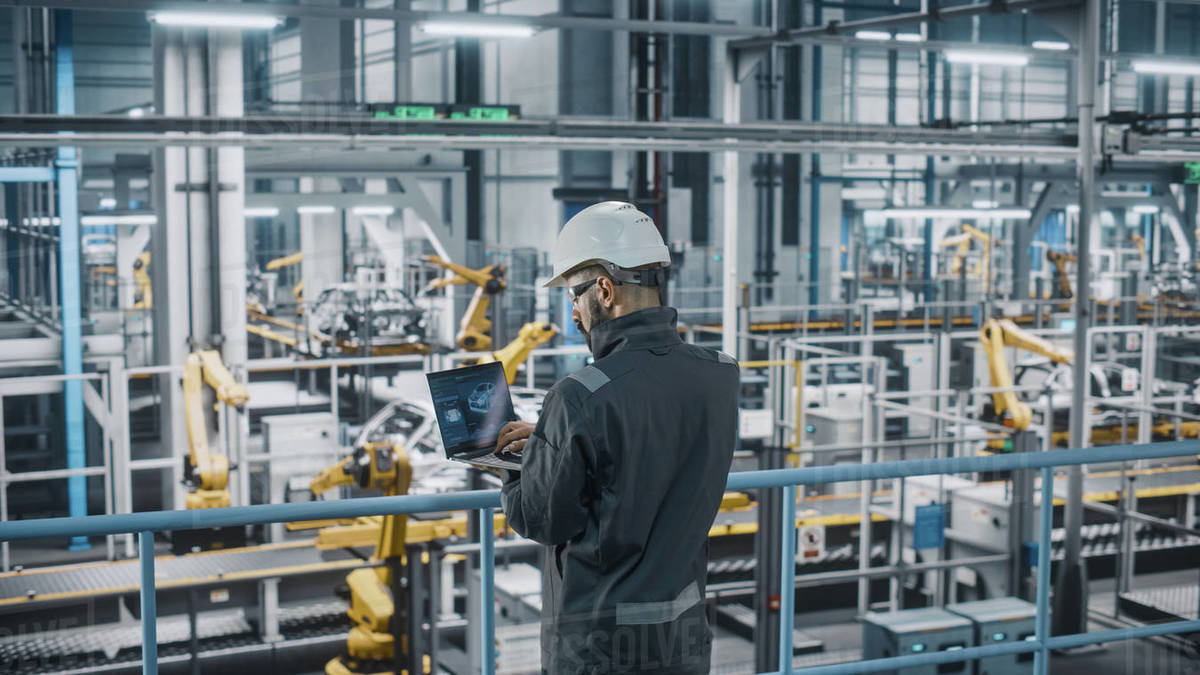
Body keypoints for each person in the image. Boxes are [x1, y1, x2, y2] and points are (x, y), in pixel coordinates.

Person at [495, 201, 739, 673]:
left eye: (574, 295)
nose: (573, 314)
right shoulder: (721, 374)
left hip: (602, 648)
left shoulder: (578, 397)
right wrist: (552, 438)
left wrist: (520, 464)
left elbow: (541, 518)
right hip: (683, 638)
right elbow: (649, 443)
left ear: (605, 290)